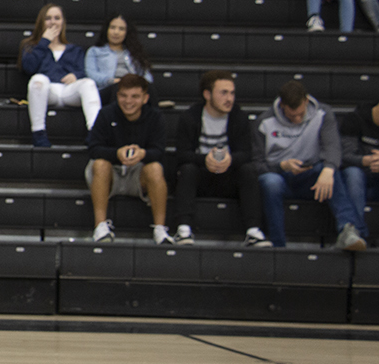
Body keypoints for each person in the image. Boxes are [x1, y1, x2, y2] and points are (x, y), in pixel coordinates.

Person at [253, 80, 366, 250]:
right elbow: (258, 164)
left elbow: (333, 148)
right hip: (279, 175)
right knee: (270, 182)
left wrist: (329, 169)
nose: (297, 119)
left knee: (329, 171)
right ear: (282, 105)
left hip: (310, 175)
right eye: (292, 116)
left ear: (306, 101)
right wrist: (282, 166)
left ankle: (347, 230)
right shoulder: (264, 122)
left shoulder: (323, 114)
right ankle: (278, 244)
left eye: (300, 114)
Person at [173, 70, 266, 246]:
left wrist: (230, 160)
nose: (229, 98)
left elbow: (246, 153)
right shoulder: (190, 117)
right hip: (201, 176)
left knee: (248, 170)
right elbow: (182, 154)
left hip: (228, 176)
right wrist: (204, 160)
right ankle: (183, 230)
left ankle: (253, 231)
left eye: (232, 93)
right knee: (187, 170)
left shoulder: (239, 117)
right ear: (207, 95)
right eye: (223, 93)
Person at [84, 75, 167, 244]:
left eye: (135, 96)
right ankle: (100, 227)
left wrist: (142, 154)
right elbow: (93, 148)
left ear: (145, 98)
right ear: (117, 96)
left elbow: (159, 151)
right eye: (123, 96)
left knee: (155, 168)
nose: (128, 101)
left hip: (138, 174)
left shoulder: (155, 117)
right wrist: (117, 153)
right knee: (99, 164)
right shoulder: (106, 113)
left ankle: (160, 229)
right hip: (111, 174)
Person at [20, 3, 101, 147]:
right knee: (38, 79)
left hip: (69, 90)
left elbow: (83, 71)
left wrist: (76, 75)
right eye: (48, 18)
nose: (53, 22)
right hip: (47, 91)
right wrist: (44, 41)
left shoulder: (74, 49)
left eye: (57, 18)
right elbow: (28, 68)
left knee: (89, 83)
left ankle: (95, 133)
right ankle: (39, 133)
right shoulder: (31, 46)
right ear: (41, 22)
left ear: (63, 22)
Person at [85, 13, 155, 100]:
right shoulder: (94, 51)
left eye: (121, 29)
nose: (116, 32)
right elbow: (91, 74)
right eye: (112, 28)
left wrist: (140, 84)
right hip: (107, 88)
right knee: (118, 89)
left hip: (132, 86)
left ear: (127, 32)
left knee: (150, 89)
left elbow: (147, 75)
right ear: (107, 30)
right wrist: (112, 81)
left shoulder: (134, 52)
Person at [339, 98, 379, 247]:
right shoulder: (355, 118)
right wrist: (365, 160)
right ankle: (356, 233)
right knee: (352, 173)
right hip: (359, 176)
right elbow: (345, 156)